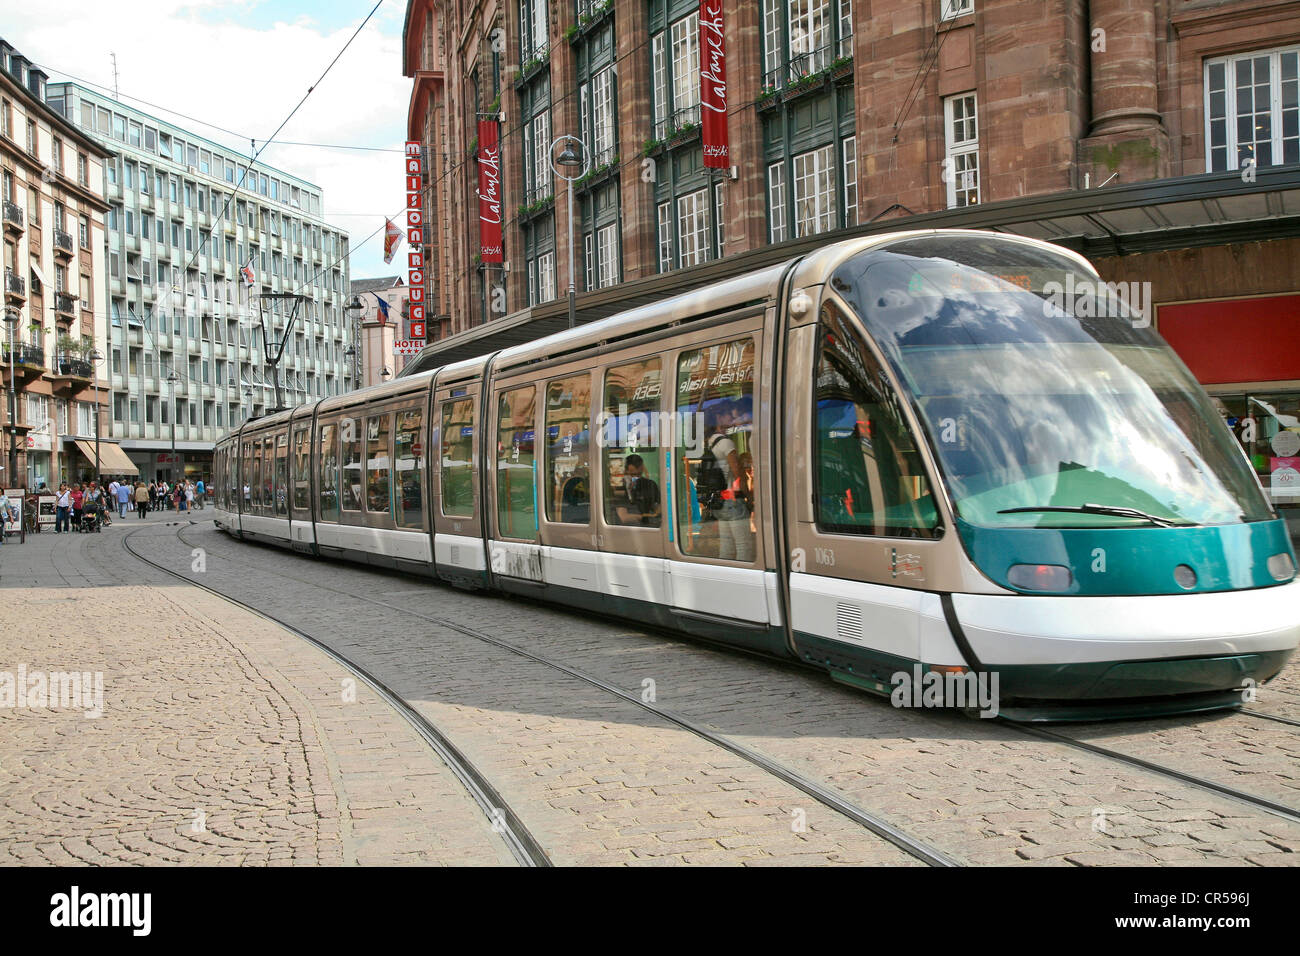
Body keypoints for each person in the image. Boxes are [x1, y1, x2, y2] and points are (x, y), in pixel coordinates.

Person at [614, 454, 661, 526]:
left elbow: (657, 508)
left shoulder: (650, 485)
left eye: (639, 474)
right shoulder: (620, 487)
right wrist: (646, 517)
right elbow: (623, 517)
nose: (636, 478)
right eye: (632, 474)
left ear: (642, 469)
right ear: (626, 471)